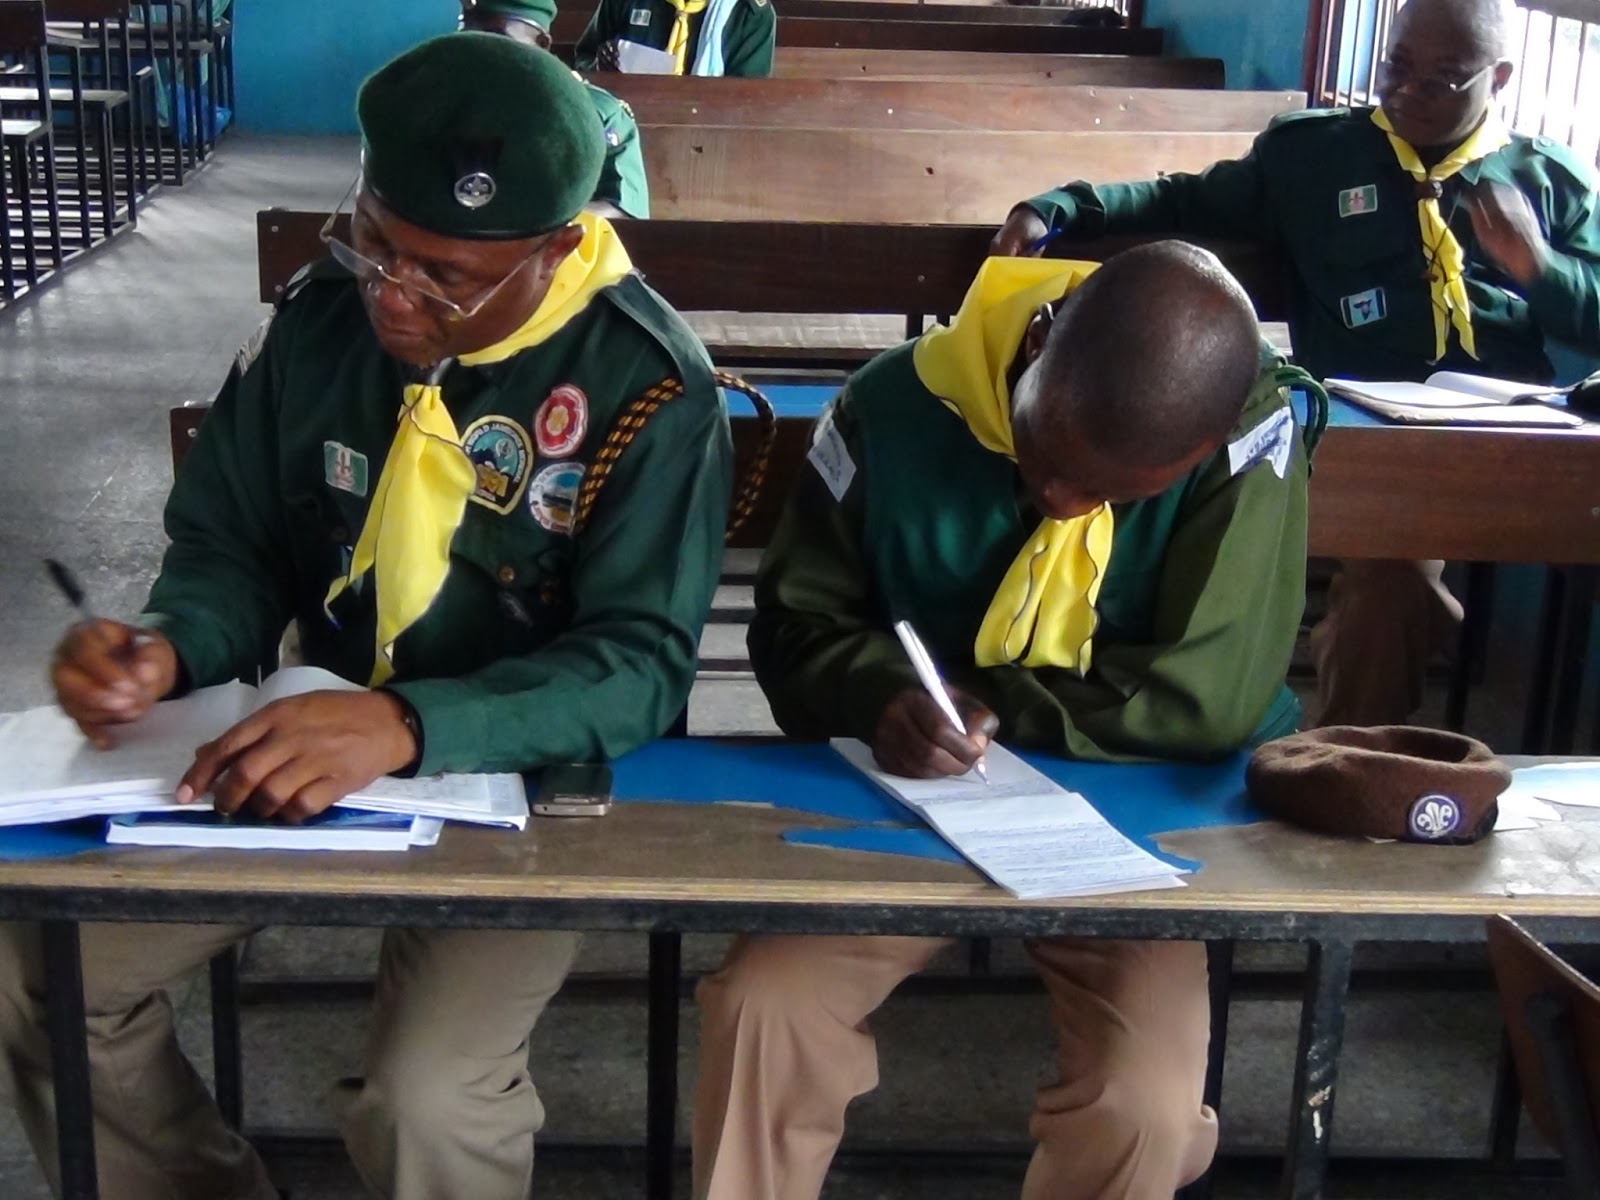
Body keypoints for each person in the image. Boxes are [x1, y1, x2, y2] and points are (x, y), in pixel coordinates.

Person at [0, 33, 732, 1200]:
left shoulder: (647, 387)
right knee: (38, 972)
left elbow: (637, 665)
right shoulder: (324, 315)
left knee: (428, 1097)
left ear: (558, 246)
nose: (394, 291)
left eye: (448, 277)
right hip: (307, 745)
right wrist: (167, 645)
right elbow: (233, 543)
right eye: (378, 241)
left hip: (524, 785)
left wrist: (406, 725)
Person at [691, 242, 1317, 1200]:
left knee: (1145, 1102)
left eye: (1114, 493)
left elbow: (1206, 698)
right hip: (909, 798)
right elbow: (794, 627)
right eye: (1042, 457)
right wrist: (877, 696)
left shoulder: (1245, 435)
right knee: (763, 1009)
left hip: (1131, 822)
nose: (1061, 501)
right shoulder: (891, 408)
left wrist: (979, 698)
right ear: (1038, 338)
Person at [992, 0, 1600, 728]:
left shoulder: (1547, 179)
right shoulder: (1314, 155)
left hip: (1509, 436)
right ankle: (1350, 757)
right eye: (1395, 66)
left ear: (1497, 78)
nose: (1406, 91)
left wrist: (1539, 268)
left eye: (1443, 80)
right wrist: (1061, 206)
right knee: (1391, 584)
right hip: (1365, 433)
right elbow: (1184, 199)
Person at [461, 0, 651, 218]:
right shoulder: (438, 102)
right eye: (470, 38)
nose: (481, 52)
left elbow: (624, 214)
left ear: (542, 43)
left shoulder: (597, 114)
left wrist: (527, 220)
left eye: (499, 39)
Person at [575, 0, 776, 78]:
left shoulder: (749, 15)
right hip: (625, 126)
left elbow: (748, 103)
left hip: (711, 142)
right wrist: (600, 69)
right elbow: (583, 59)